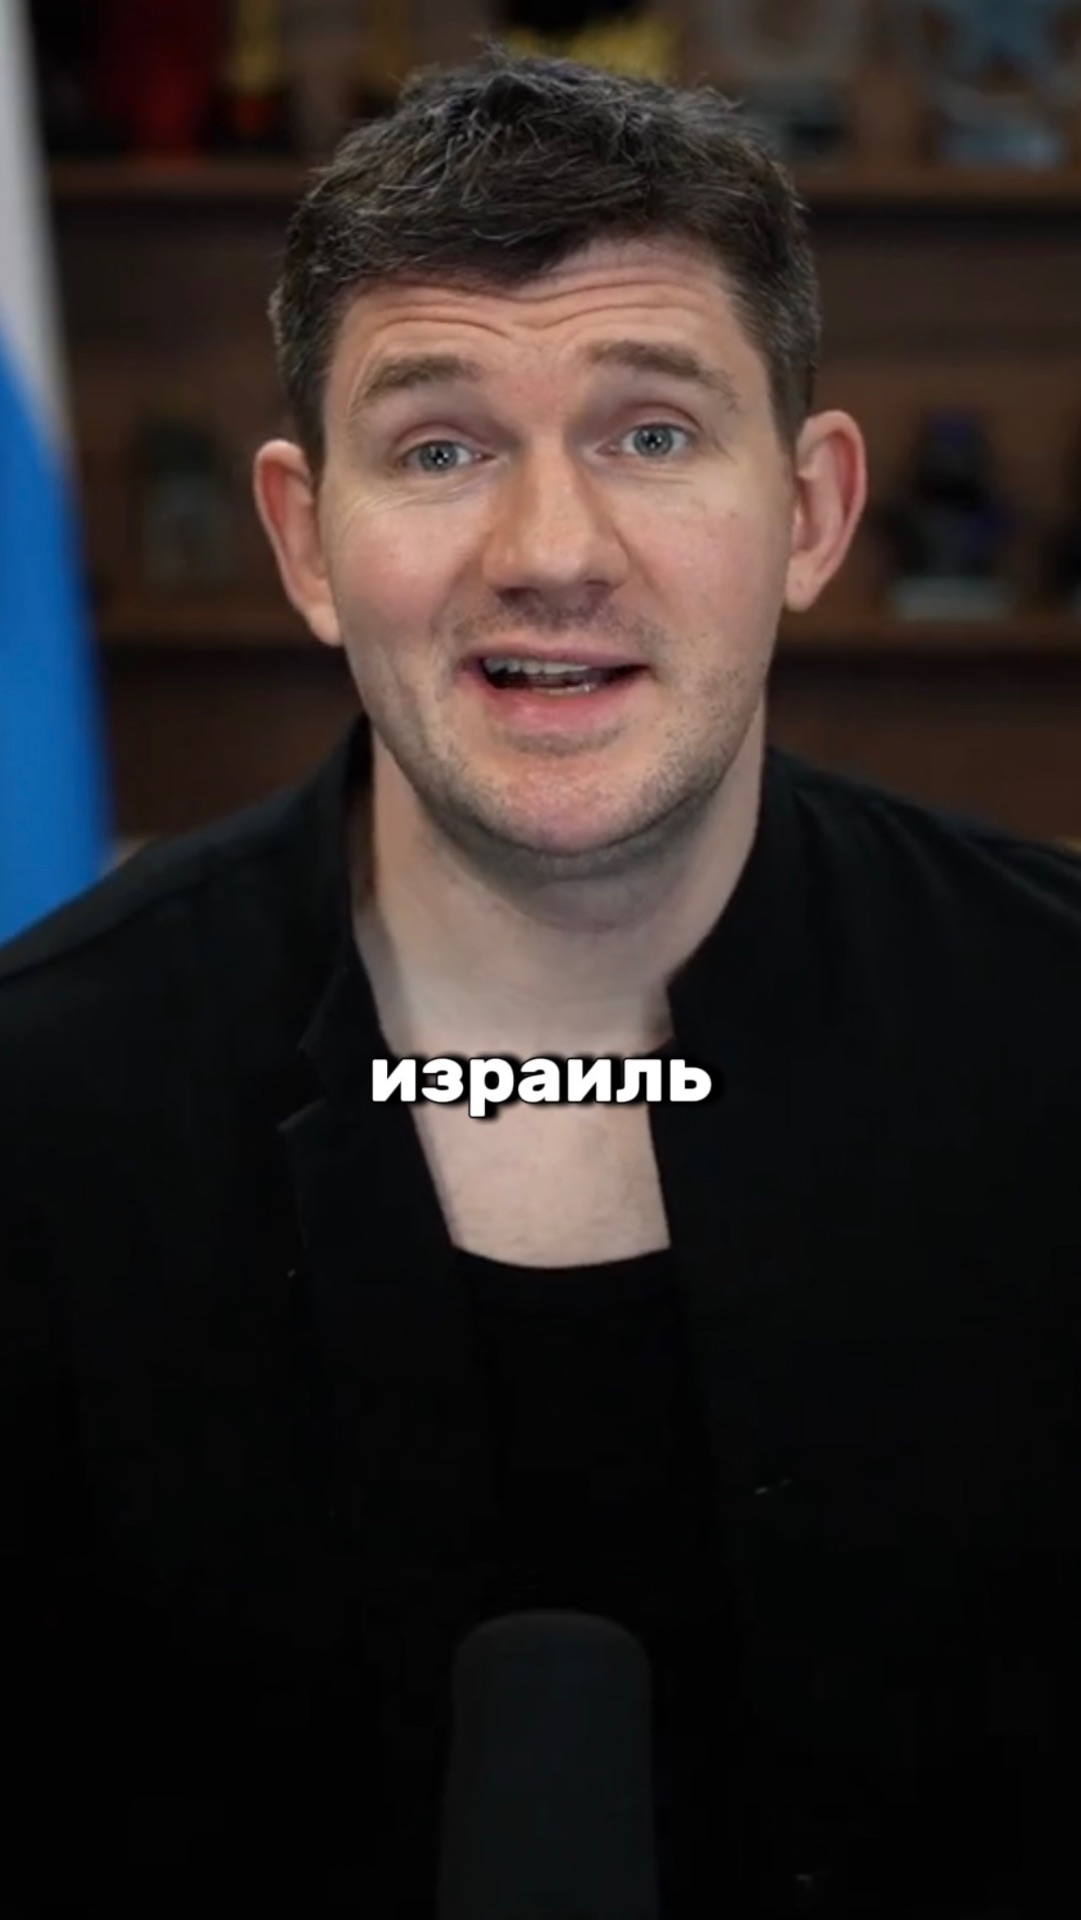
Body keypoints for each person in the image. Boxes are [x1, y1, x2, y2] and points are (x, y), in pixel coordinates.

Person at [2, 38, 1080, 1919]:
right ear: (303, 540)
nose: (551, 554)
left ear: (813, 512)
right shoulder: (39, 1107)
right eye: (440, 448)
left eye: (650, 434)